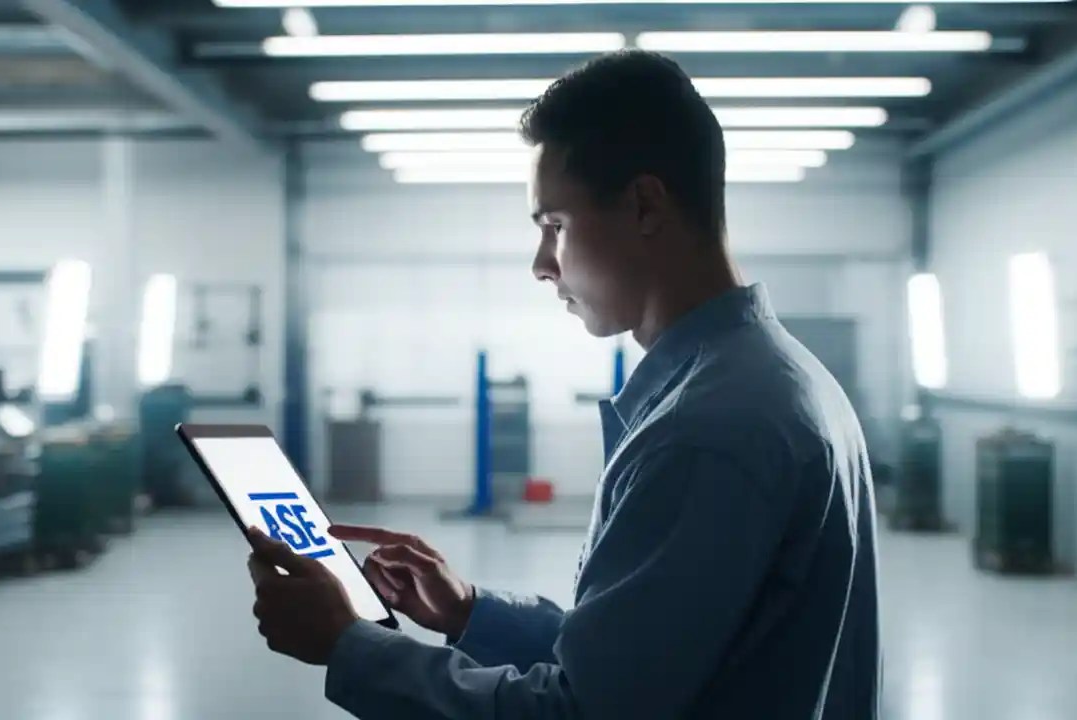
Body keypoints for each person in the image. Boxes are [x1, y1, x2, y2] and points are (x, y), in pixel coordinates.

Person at [246, 49, 881, 719]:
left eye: (555, 226)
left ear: (643, 205)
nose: (542, 265)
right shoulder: (781, 377)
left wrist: (348, 645)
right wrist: (470, 611)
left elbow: (580, 714)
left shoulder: (707, 431)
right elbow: (641, 665)